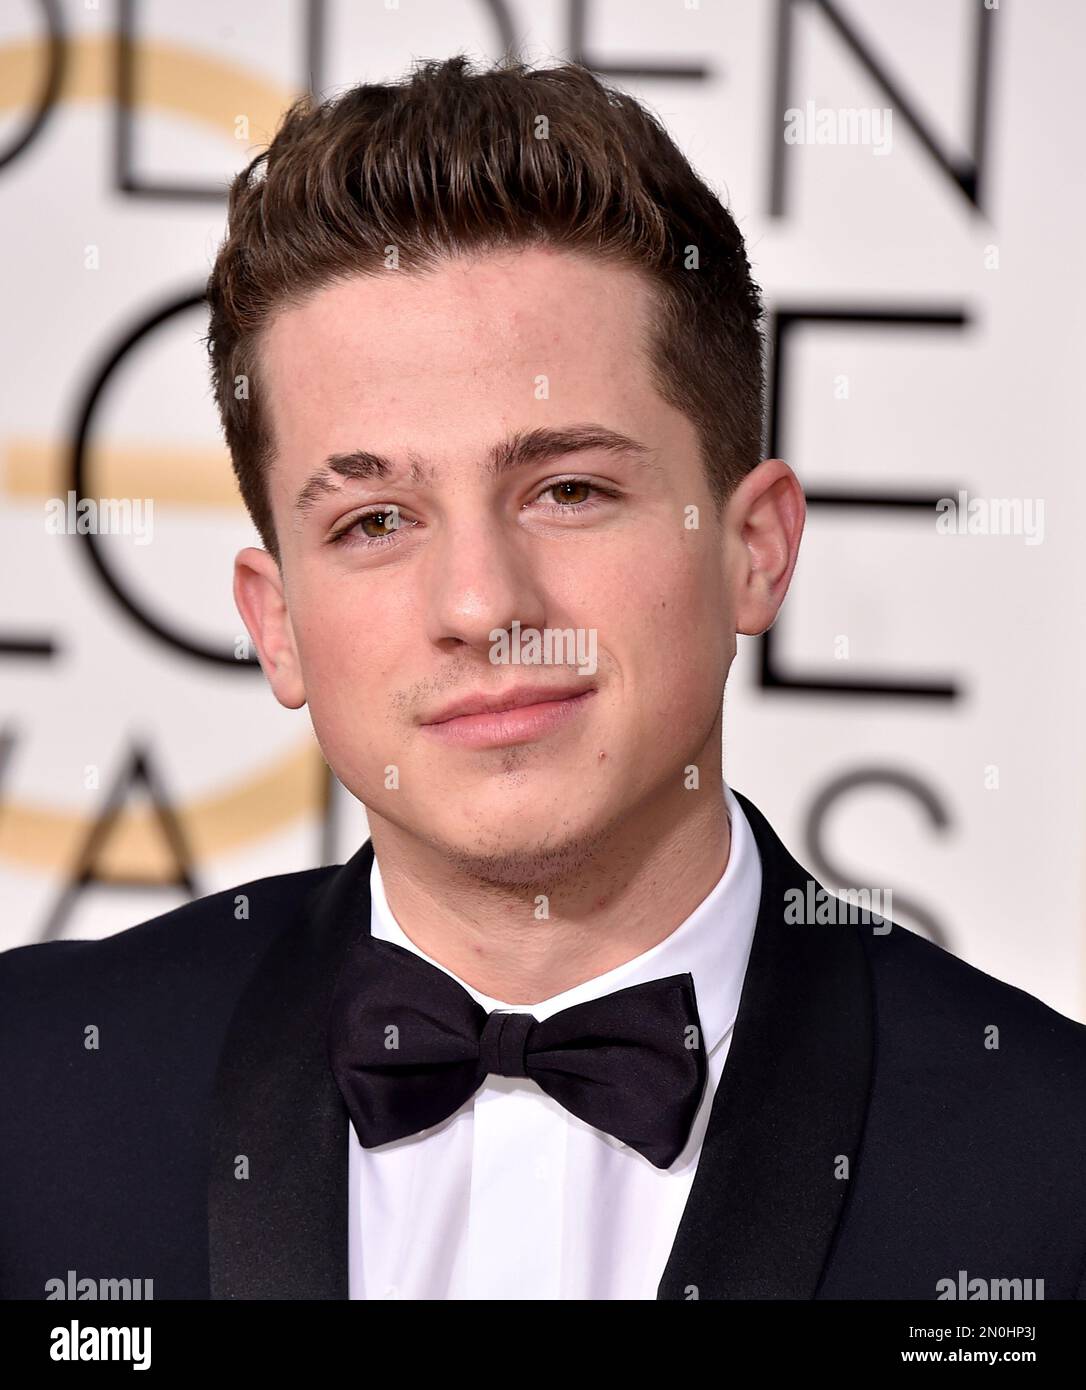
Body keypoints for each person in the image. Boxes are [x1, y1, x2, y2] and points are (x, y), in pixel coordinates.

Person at [2, 54, 1085, 1302]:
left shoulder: (1053, 1169)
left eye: (568, 490)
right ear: (278, 622)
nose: (481, 607)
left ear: (755, 548)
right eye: (372, 521)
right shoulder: (29, 1095)